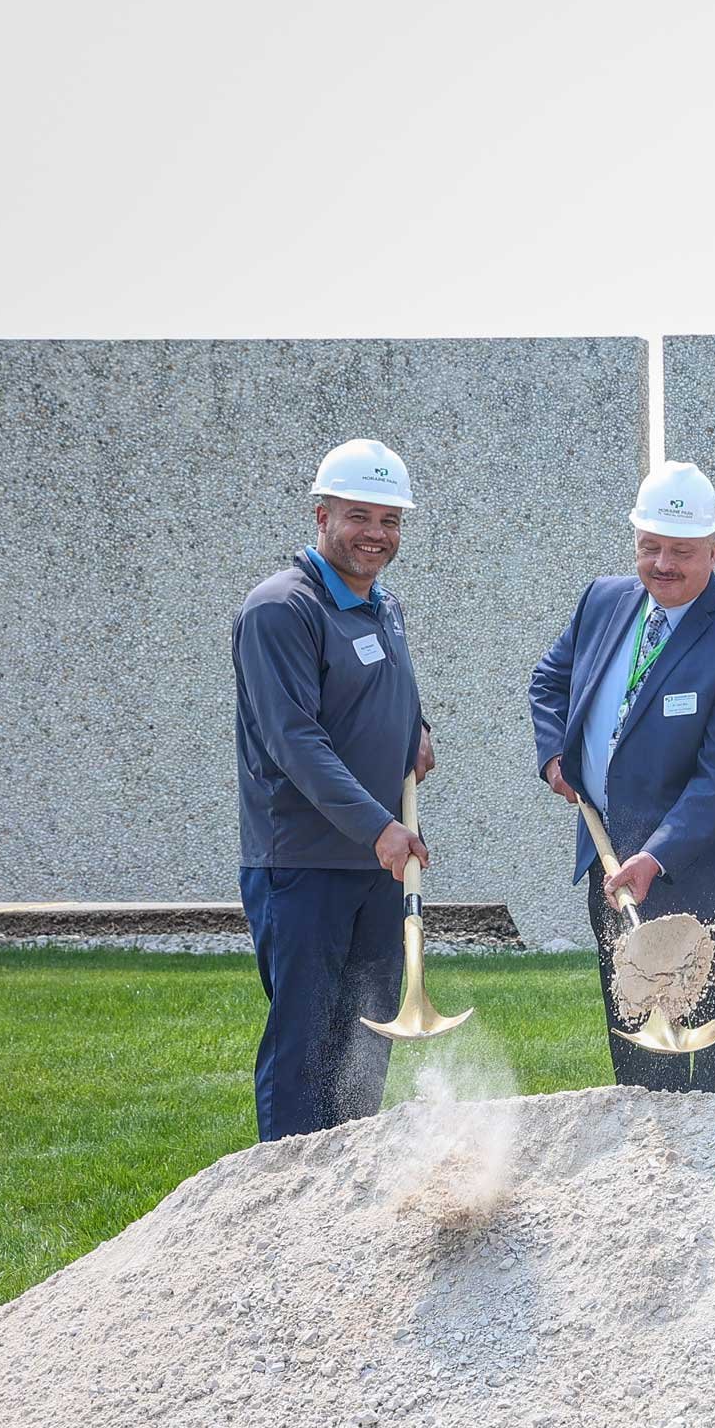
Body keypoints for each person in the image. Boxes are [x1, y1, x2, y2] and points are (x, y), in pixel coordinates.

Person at [529, 459, 715, 1091]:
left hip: (711, 878)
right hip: (613, 864)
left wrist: (655, 856)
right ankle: (652, 1179)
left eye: (682, 550)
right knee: (641, 1061)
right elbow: (550, 681)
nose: (663, 564)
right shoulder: (604, 600)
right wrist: (553, 758)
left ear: (714, 549)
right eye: (651, 548)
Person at [231, 440, 438, 1141]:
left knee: (365, 1042)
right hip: (304, 866)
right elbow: (297, 743)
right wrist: (380, 827)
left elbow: (383, 692)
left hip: (375, 865)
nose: (377, 534)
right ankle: (288, 1197)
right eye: (360, 516)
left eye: (390, 520)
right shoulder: (280, 611)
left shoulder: (384, 605)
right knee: (304, 1045)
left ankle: (352, 1186)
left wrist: (418, 729)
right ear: (321, 515)